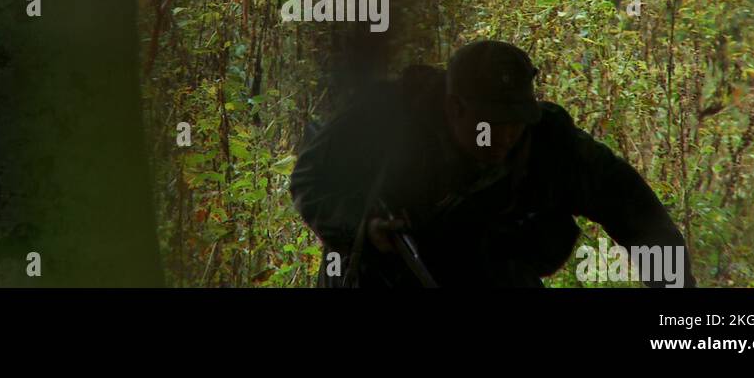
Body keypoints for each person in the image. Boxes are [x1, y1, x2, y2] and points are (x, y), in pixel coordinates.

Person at [289, 40, 696, 287]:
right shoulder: (389, 114)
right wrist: (362, 223)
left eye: (515, 122)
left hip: (486, 270)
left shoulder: (551, 143)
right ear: (454, 107)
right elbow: (311, 178)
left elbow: (637, 214)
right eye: (491, 124)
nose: (504, 136)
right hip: (384, 274)